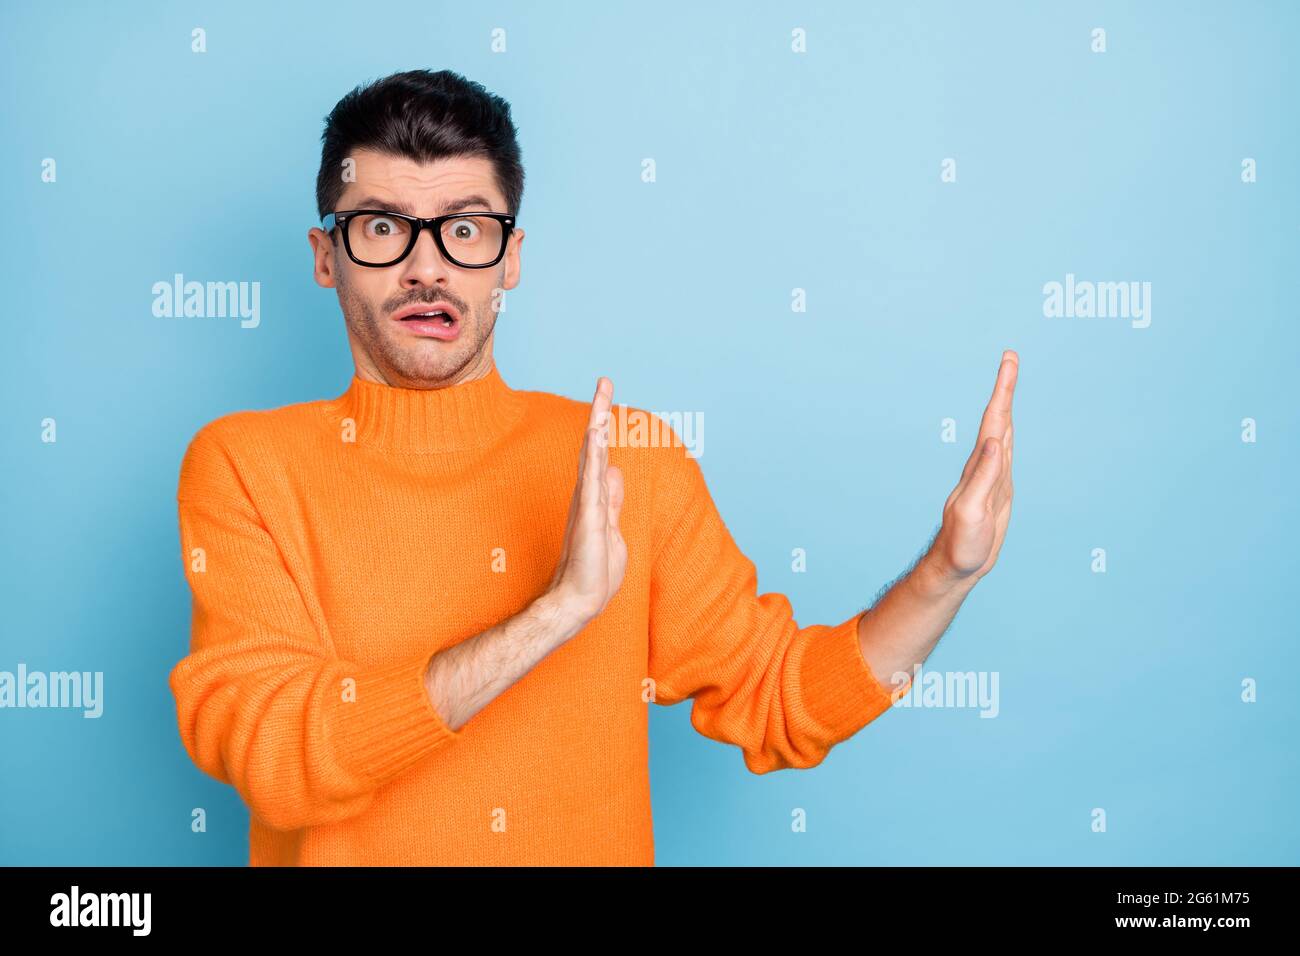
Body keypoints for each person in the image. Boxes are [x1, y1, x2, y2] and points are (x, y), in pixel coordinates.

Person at [168, 68, 1018, 866]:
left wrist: (946, 574)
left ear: (510, 258)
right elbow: (277, 758)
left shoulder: (629, 462)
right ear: (327, 257)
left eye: (465, 229)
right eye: (383, 228)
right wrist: (555, 614)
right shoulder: (246, 467)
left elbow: (784, 699)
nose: (427, 267)